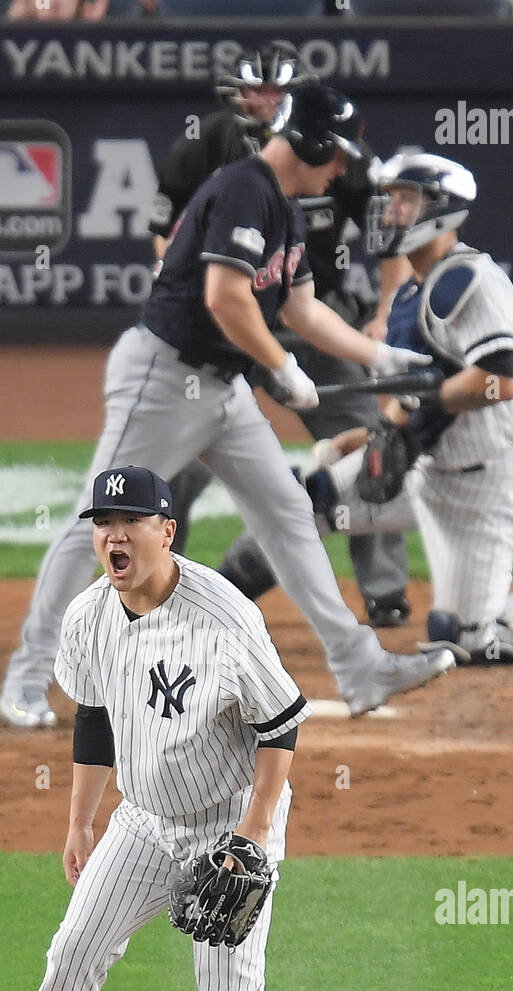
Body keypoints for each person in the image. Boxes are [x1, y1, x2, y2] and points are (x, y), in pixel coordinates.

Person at [0, 84, 454, 730]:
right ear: (313, 143)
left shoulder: (285, 208)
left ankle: (359, 667)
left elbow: (300, 307)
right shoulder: (246, 188)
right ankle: (28, 674)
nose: (343, 169)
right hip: (162, 377)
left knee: (287, 513)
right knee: (95, 525)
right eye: (339, 154)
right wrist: (281, 366)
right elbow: (224, 297)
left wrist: (376, 358)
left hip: (220, 388)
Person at [0, 466, 349, 991]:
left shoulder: (222, 615)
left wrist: (252, 836)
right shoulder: (89, 615)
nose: (112, 535)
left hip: (227, 821)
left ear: (165, 531)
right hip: (142, 821)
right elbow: (94, 716)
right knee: (73, 950)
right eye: (102, 522)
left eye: (130, 521)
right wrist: (80, 820)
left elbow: (279, 725)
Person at [320, 152, 513, 665]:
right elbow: (417, 397)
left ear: (441, 210)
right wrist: (380, 430)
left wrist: (429, 398)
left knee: (467, 641)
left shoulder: (472, 281)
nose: (390, 211)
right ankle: (219, 615)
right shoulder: (408, 296)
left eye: (405, 199)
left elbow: (497, 383)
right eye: (390, 199)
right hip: (430, 474)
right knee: (311, 498)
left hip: (488, 483)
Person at [148, 41, 414, 628]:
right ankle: (155, 590)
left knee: (368, 445)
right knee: (174, 460)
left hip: (313, 310)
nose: (266, 102)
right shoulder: (208, 144)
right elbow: (167, 233)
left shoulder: (341, 162)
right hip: (226, 320)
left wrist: (382, 321)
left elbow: (388, 241)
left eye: (278, 92)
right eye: (256, 90)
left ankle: (385, 589)